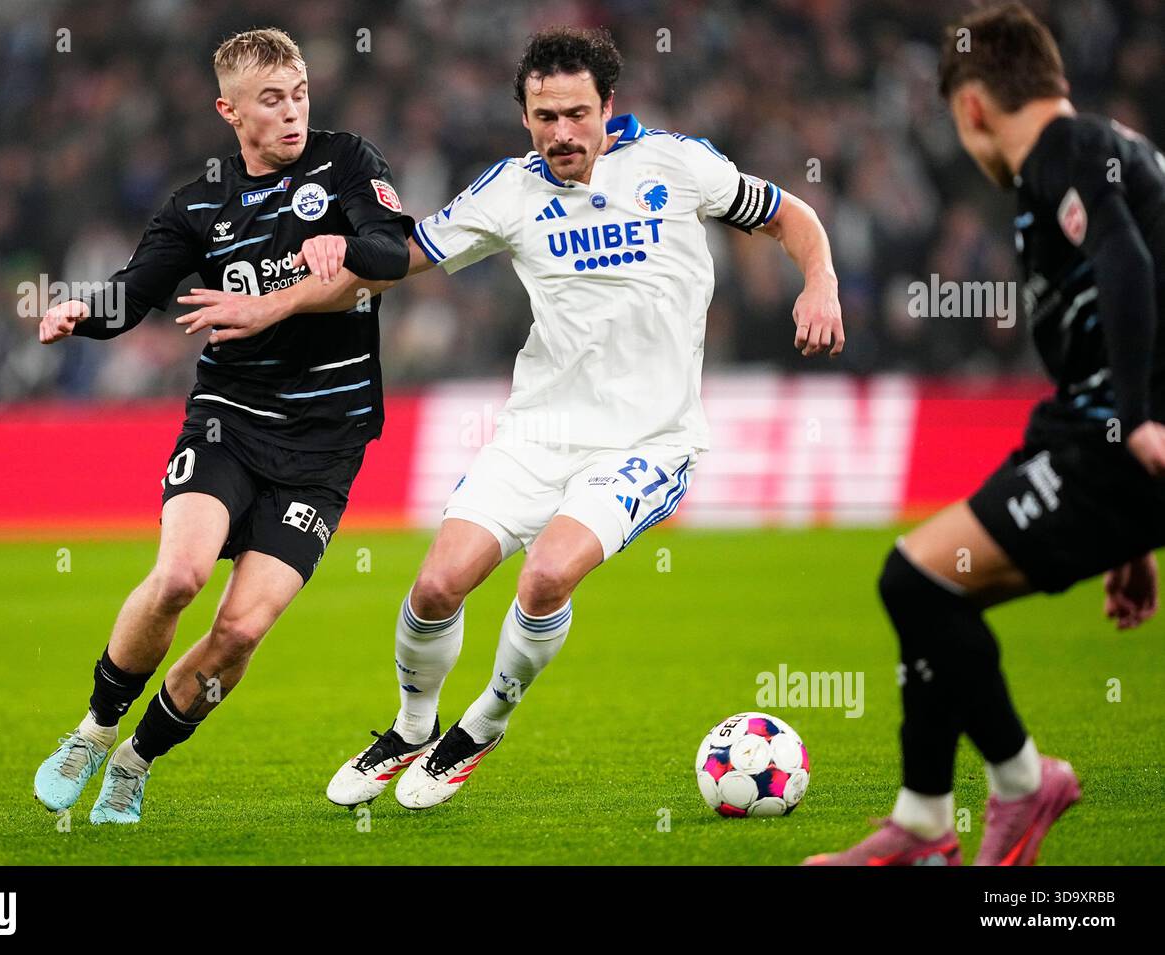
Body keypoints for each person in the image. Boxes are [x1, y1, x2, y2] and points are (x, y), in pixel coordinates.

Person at [176, 26, 844, 810]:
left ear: (608, 109)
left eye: (575, 114)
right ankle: (412, 726)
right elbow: (395, 265)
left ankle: (482, 724)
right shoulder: (508, 191)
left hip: (650, 441)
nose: (561, 132)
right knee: (434, 586)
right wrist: (278, 301)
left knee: (548, 572)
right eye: (543, 116)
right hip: (536, 432)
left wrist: (820, 280)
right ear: (525, 117)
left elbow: (787, 213)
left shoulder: (678, 164)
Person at [808, 2, 1165, 866]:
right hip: (1098, 438)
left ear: (972, 107)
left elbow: (1125, 262)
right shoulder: (1112, 152)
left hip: (1108, 433)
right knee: (936, 591)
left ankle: (1015, 782)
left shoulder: (1065, 151)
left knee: (916, 582)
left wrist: (1141, 419)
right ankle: (924, 818)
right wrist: (1133, 524)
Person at [31, 27, 412, 824]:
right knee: (179, 578)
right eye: (271, 101)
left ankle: (137, 761)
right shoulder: (200, 204)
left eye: (300, 94)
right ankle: (95, 729)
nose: (292, 113)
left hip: (326, 444)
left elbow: (393, 248)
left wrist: (350, 245)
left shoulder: (347, 162)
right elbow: (135, 292)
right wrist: (80, 310)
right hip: (228, 423)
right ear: (230, 111)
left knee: (239, 630)